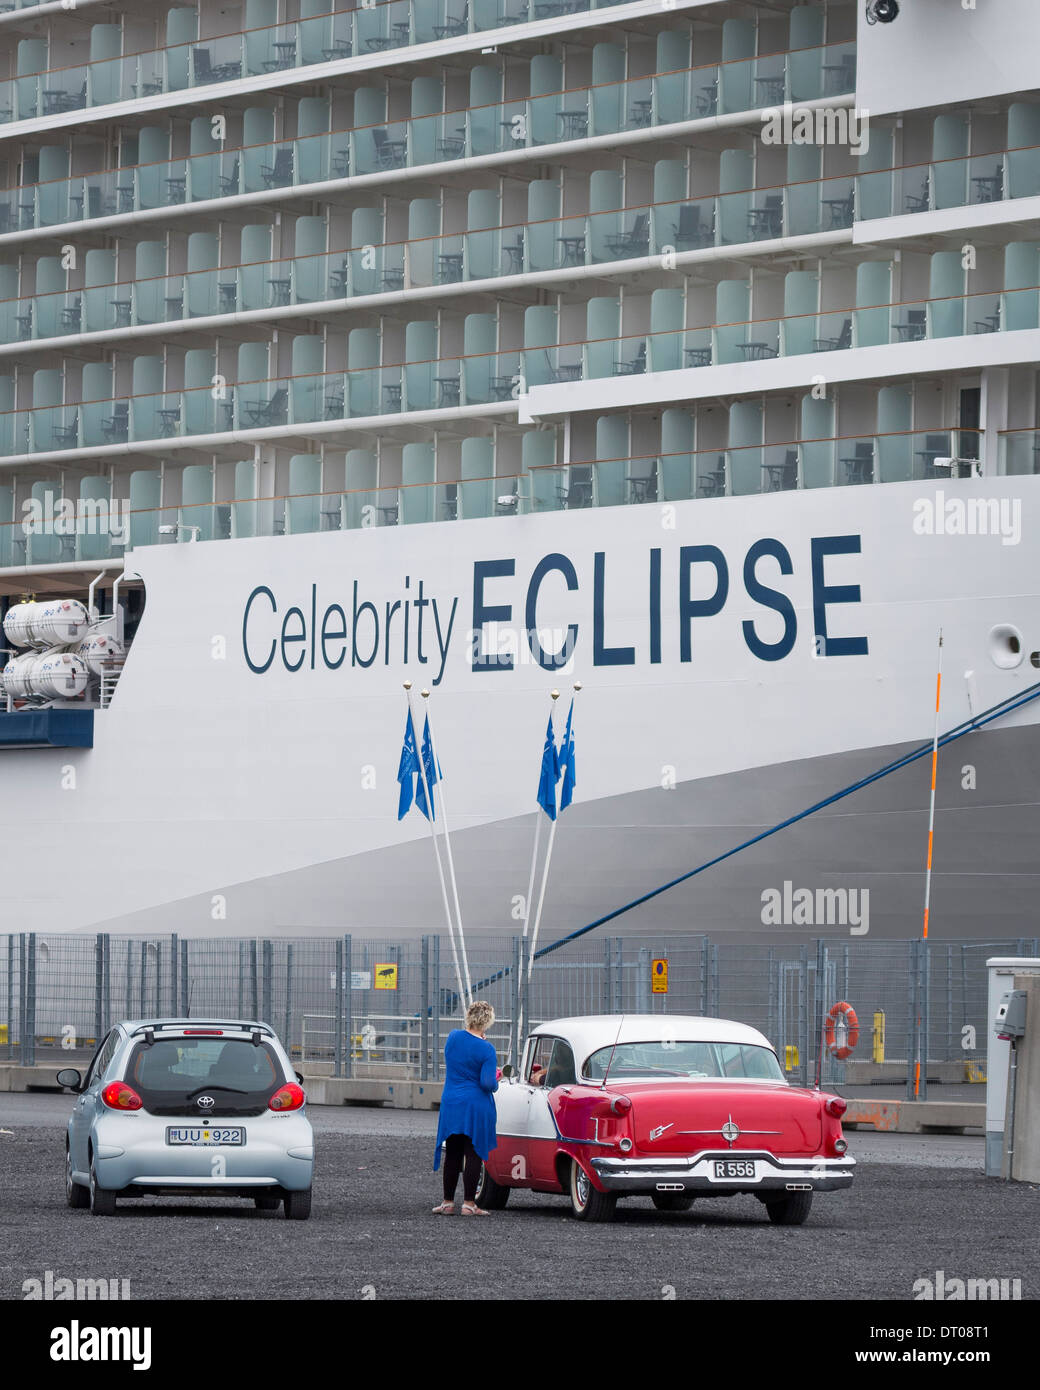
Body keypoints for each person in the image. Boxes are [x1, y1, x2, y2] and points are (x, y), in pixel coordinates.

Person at [432, 1000, 498, 1216]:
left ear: (468, 1016)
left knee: (452, 1152)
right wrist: (498, 1077)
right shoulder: (487, 1049)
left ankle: (447, 1202)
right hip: (475, 1105)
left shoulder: (453, 1037)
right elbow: (488, 1084)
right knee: (473, 1152)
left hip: (452, 1102)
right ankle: (469, 1203)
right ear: (488, 1022)